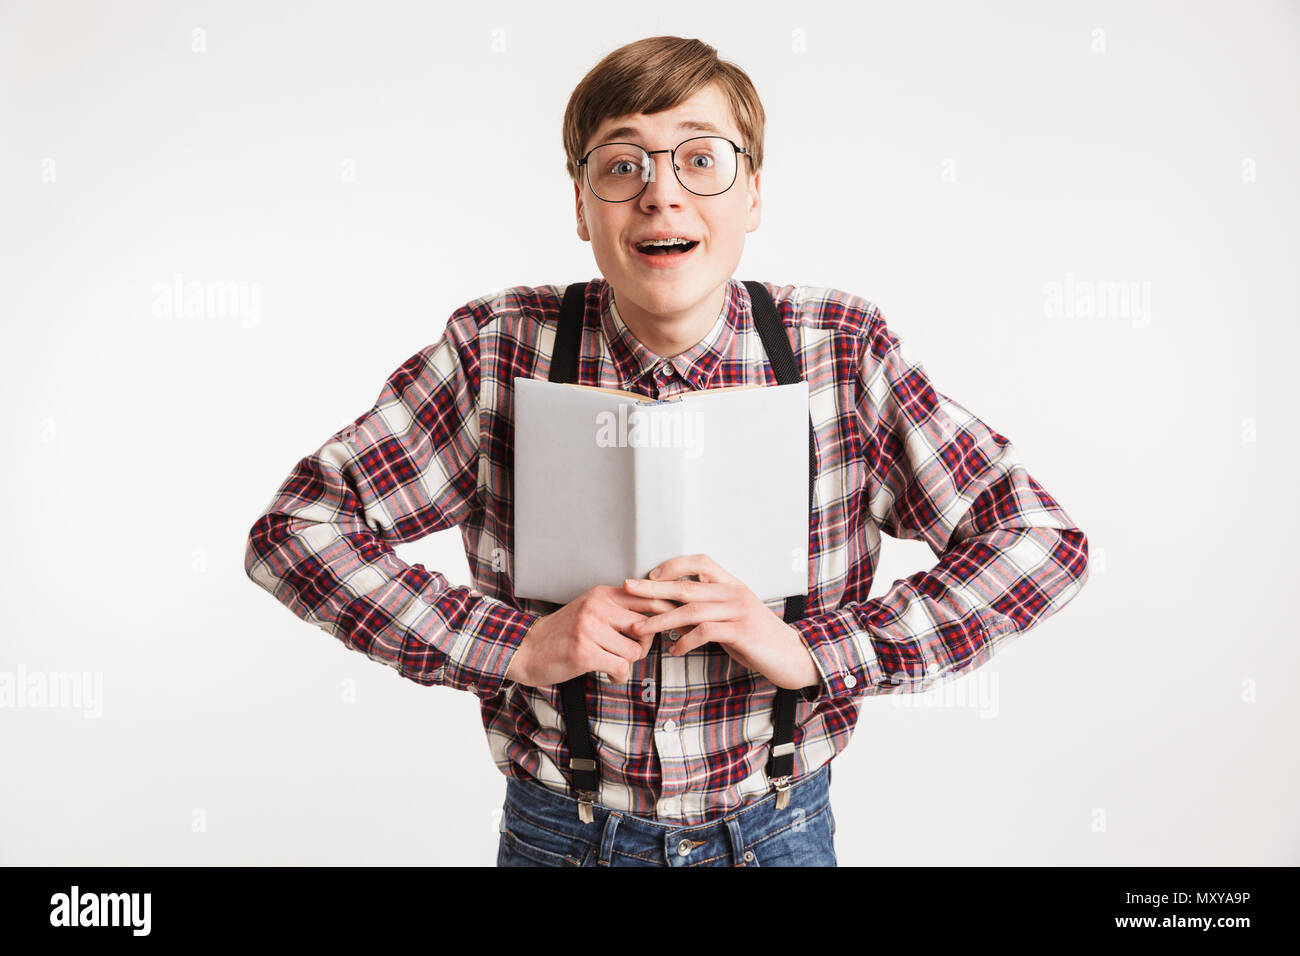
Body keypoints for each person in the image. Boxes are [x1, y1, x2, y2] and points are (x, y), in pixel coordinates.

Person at [243, 35, 1090, 867]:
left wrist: (815, 652)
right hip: (562, 836)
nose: (662, 196)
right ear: (581, 206)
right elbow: (298, 531)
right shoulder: (495, 352)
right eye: (623, 167)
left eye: (701, 161)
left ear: (752, 194)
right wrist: (514, 648)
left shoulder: (844, 352)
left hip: (777, 835)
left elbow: (1039, 542)